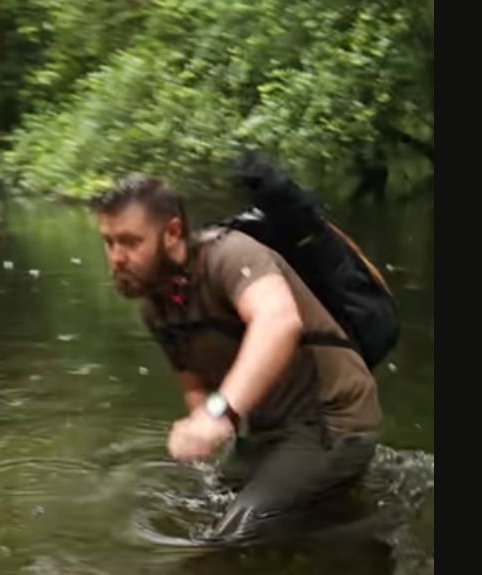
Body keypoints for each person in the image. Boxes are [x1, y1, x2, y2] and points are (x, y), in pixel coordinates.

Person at [91, 175, 381, 543]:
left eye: (131, 242)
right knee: (205, 507)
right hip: (265, 431)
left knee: (230, 537)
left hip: (333, 420)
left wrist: (219, 414)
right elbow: (194, 386)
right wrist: (198, 430)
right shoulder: (156, 309)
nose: (117, 258)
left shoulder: (231, 255)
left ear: (172, 233)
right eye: (109, 242)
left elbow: (278, 321)